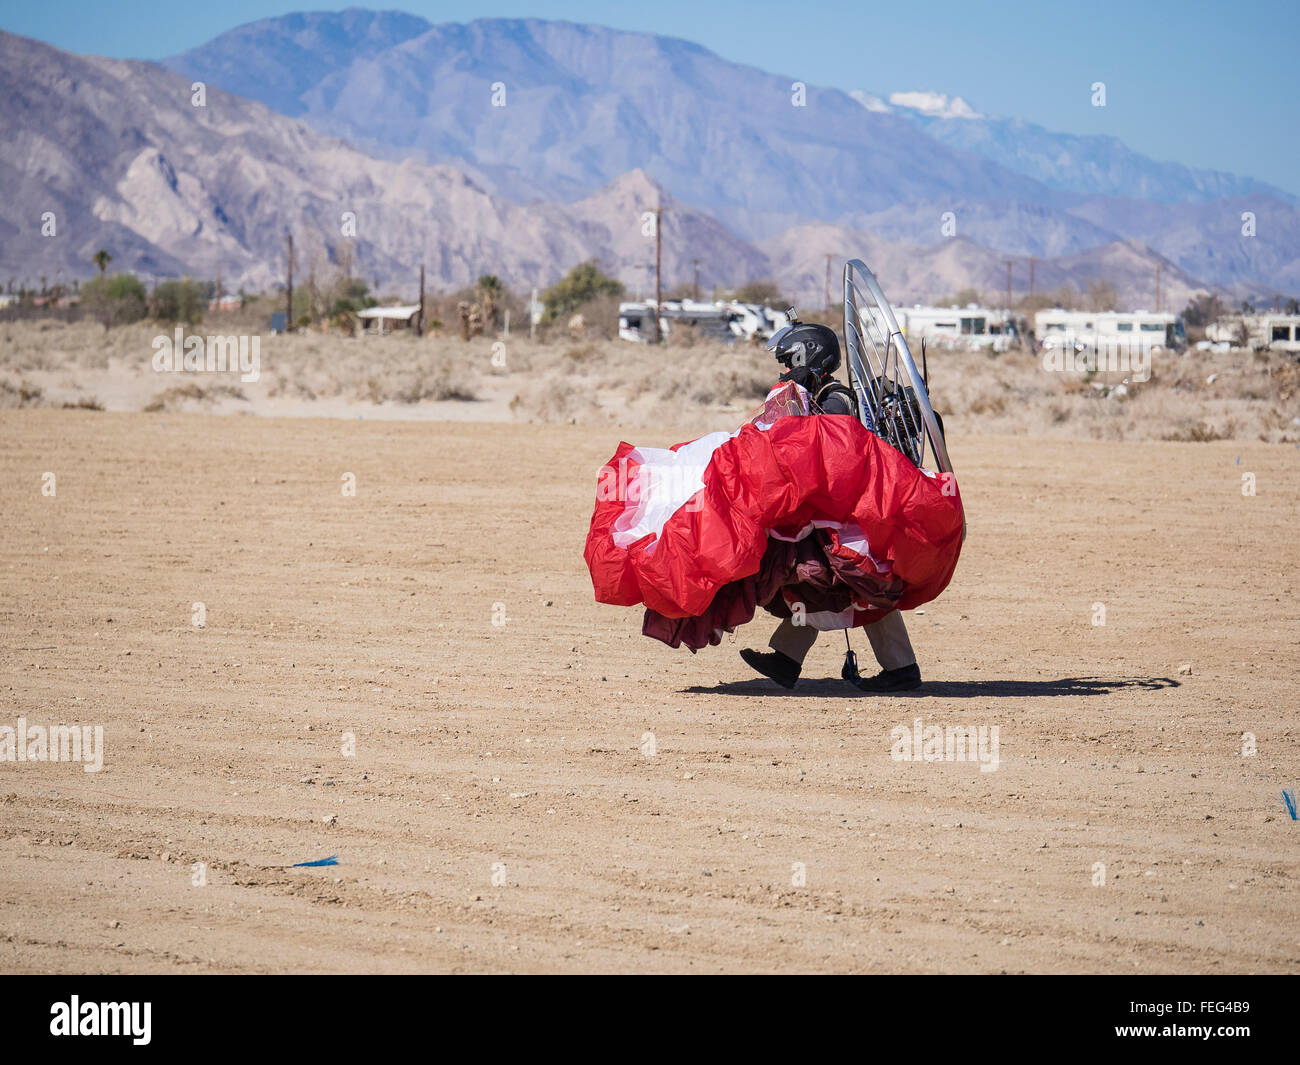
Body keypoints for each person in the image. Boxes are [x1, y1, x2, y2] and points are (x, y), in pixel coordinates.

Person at [738, 315, 923, 693]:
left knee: (849, 583)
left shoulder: (836, 399)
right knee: (831, 585)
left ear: (810, 356)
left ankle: (900, 669)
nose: (786, 368)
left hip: (847, 515)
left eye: (790, 360)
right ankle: (790, 659)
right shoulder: (819, 396)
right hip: (833, 512)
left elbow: (835, 454)